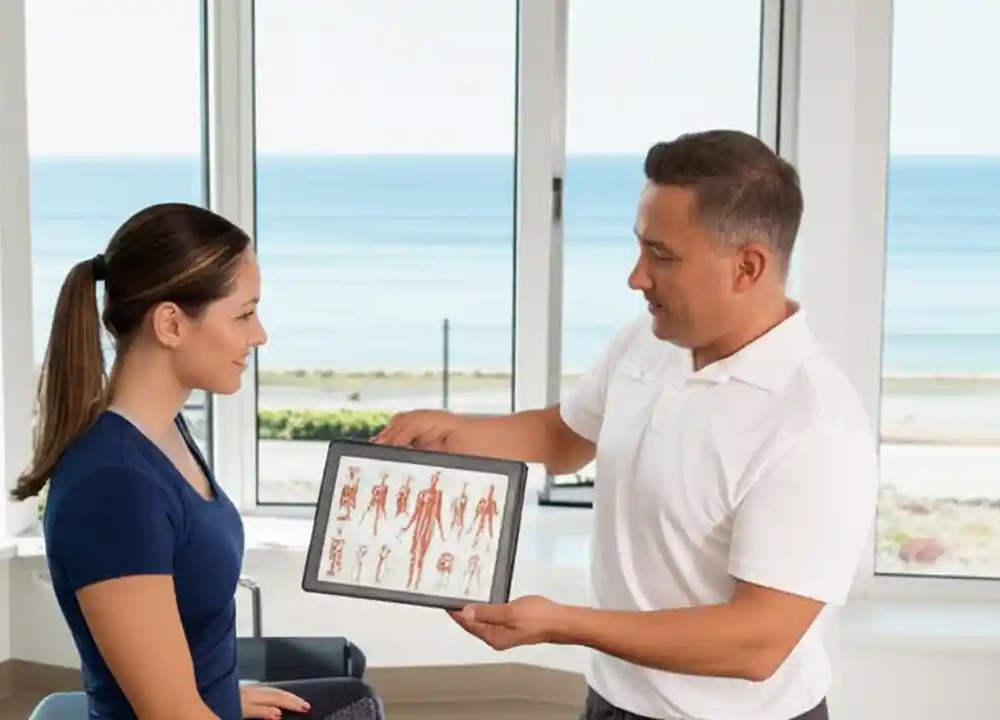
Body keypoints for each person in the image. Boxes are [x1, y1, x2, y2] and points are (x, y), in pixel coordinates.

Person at [373, 130, 878, 720]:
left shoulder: (815, 424)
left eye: (662, 256)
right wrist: (452, 431)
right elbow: (565, 439)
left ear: (747, 266)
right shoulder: (651, 340)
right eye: (641, 249)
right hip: (613, 701)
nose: (637, 277)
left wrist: (563, 624)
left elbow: (758, 642)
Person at [11, 203, 366, 719]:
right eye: (244, 314)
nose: (259, 335)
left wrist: (223, 696)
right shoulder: (112, 488)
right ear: (171, 323)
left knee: (360, 703)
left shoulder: (166, 433)